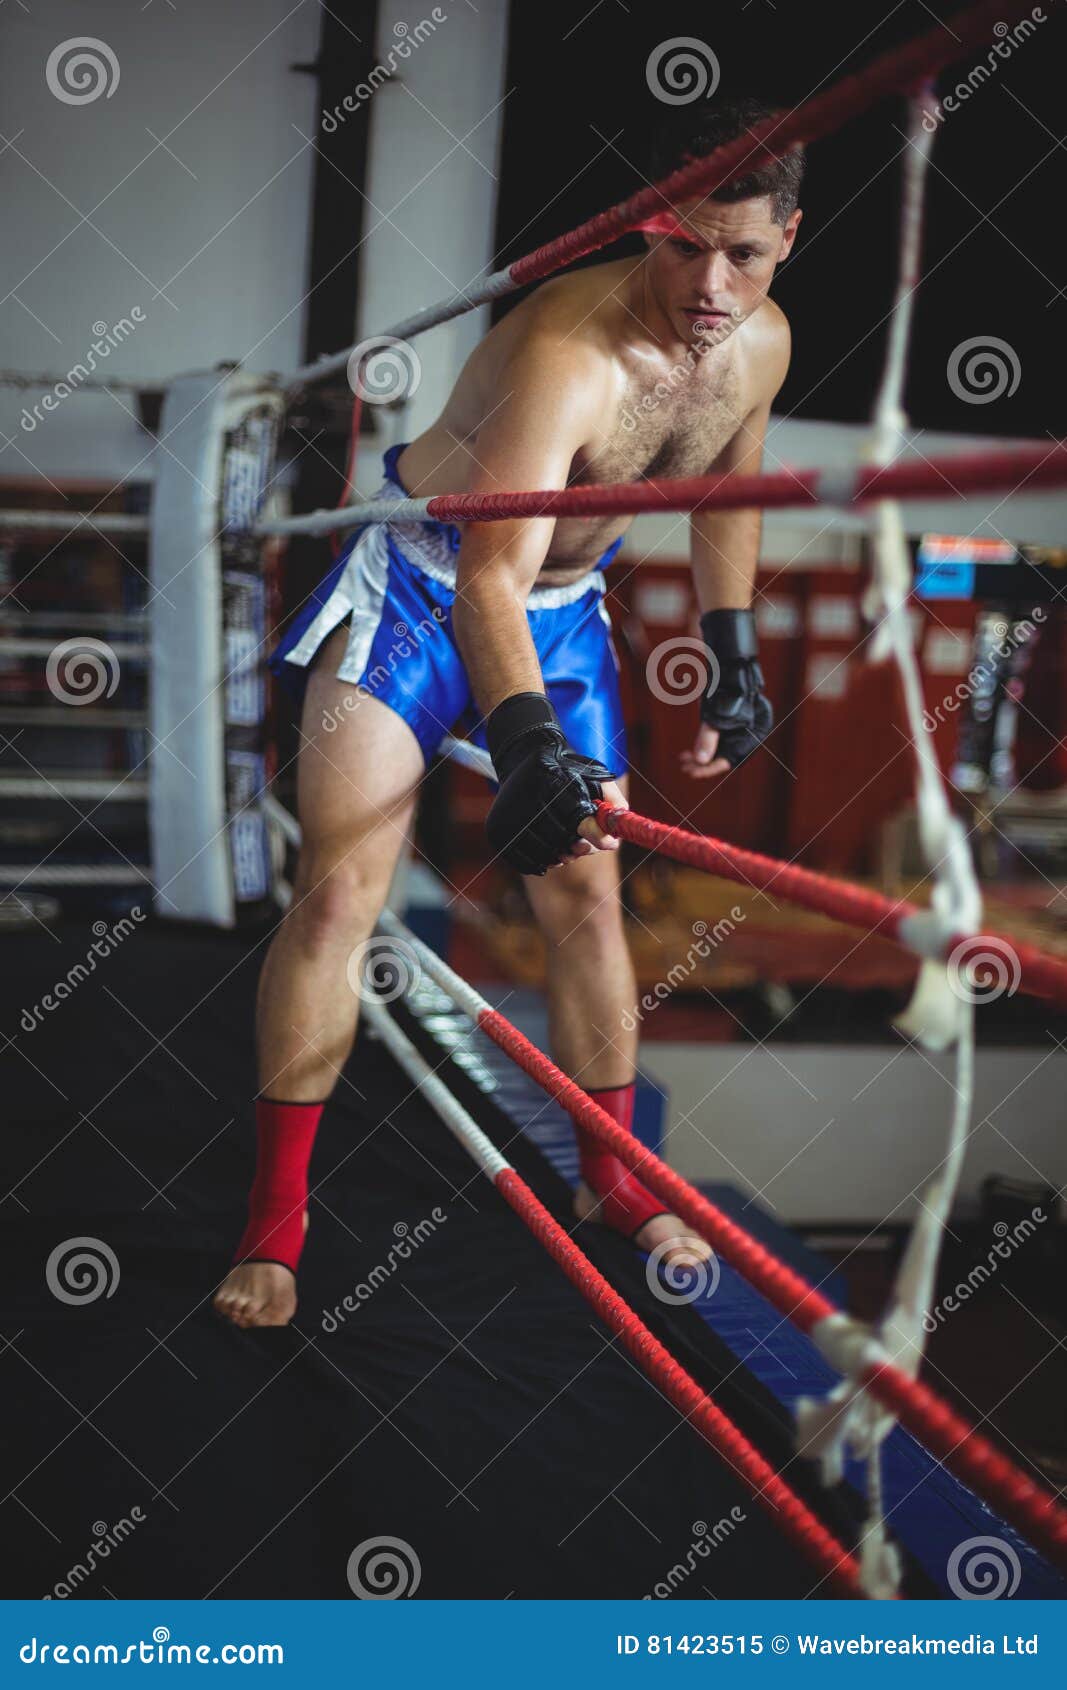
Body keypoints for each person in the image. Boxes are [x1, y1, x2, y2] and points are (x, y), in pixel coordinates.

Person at [214, 96, 803, 1328]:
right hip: (424, 592)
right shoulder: (565, 350)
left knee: (588, 899)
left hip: (564, 609)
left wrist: (731, 646)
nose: (709, 284)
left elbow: (725, 492)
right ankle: (273, 1220)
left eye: (741, 253)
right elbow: (487, 572)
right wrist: (526, 745)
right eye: (685, 245)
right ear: (648, 221)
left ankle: (608, 1179)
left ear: (786, 239)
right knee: (337, 899)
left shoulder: (762, 345)